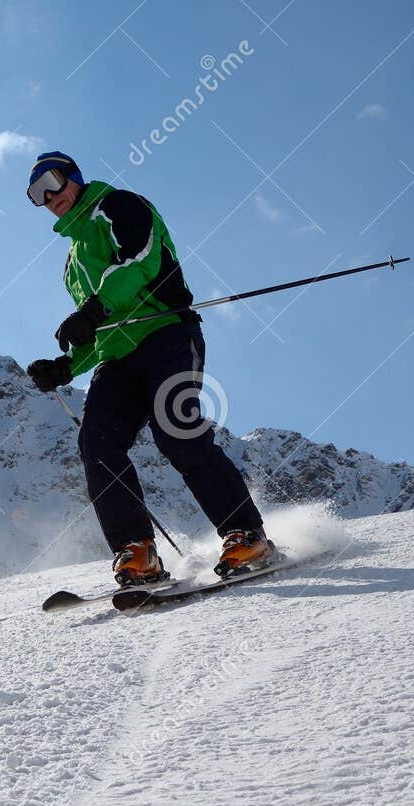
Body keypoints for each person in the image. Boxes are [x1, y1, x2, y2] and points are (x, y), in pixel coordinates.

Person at [23, 151, 276, 587]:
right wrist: (66, 366)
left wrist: (97, 305)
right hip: (117, 359)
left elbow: (141, 261)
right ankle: (136, 551)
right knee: (96, 443)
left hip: (166, 335)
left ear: (73, 177)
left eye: (51, 181)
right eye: (35, 194)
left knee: (175, 429)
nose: (48, 196)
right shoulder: (71, 264)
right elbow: (98, 330)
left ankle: (247, 534)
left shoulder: (118, 205)